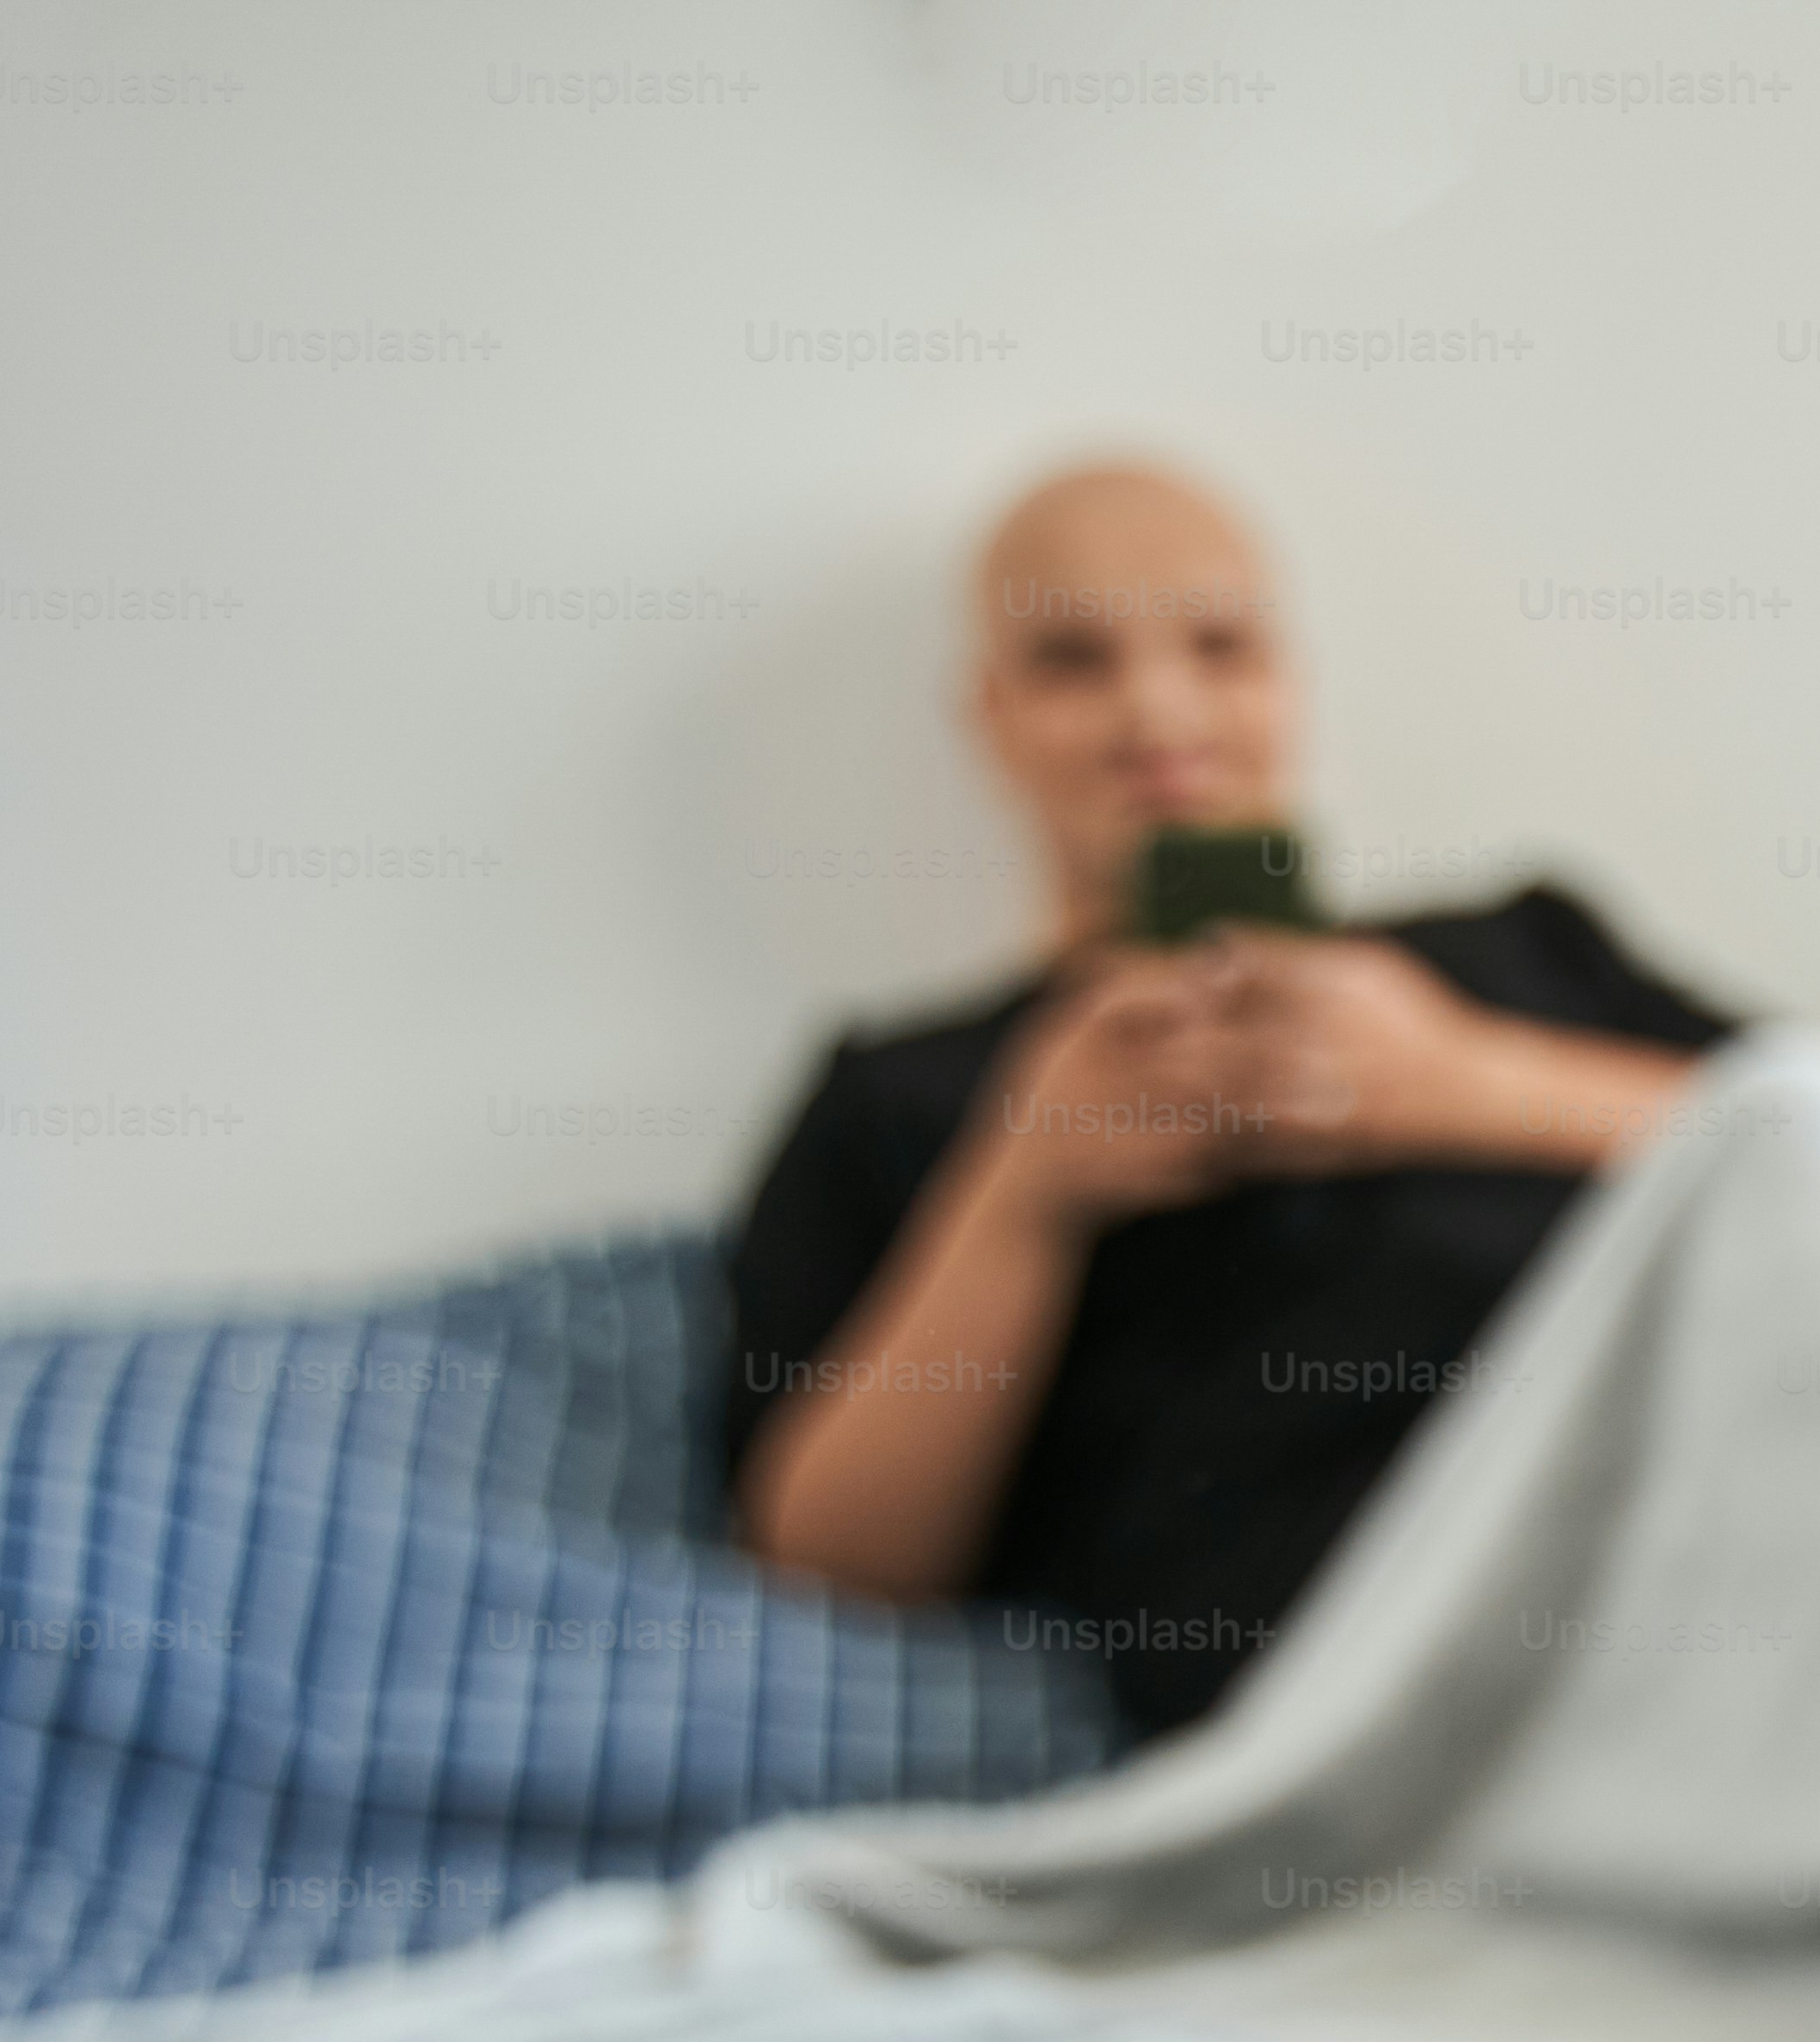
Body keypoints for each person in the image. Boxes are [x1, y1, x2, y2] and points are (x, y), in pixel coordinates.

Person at [722, 461, 1726, 1734]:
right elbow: (825, 1567)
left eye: (1219, 646)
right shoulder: (901, 1094)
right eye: (1074, 661)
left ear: (1289, 682)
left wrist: (1469, 1082)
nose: (1158, 712)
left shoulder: (1521, 950)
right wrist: (1022, 1192)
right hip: (1326, 1674)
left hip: (1693, 1513)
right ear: (989, 715)